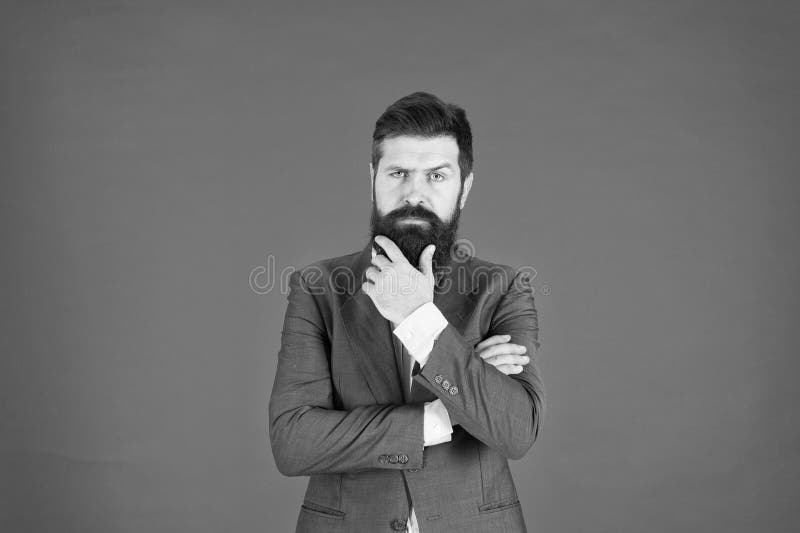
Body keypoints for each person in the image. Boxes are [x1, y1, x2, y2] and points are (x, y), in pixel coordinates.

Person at [269, 91, 545, 532]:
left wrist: (419, 318)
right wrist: (444, 415)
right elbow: (293, 442)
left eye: (437, 175)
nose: (414, 193)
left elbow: (516, 430)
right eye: (398, 172)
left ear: (465, 188)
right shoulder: (318, 288)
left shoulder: (503, 289)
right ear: (373, 179)